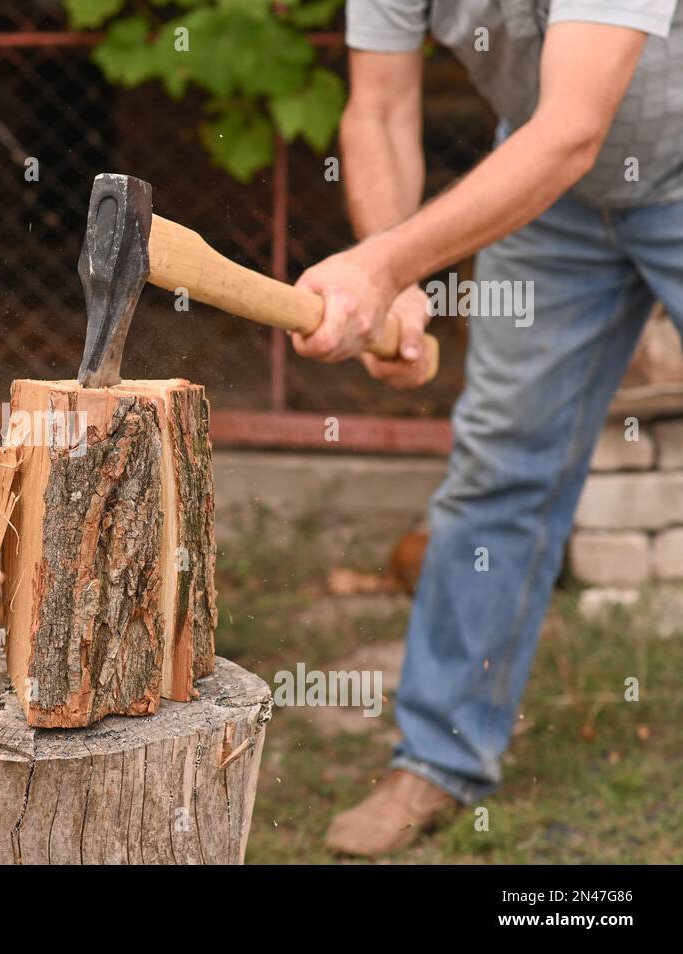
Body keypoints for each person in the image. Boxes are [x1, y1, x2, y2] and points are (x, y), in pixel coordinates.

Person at [297, 1, 683, 856]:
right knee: (500, 466)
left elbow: (574, 127)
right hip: (555, 202)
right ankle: (438, 759)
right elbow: (382, 109)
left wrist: (388, 263)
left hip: (639, 160)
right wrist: (391, 276)